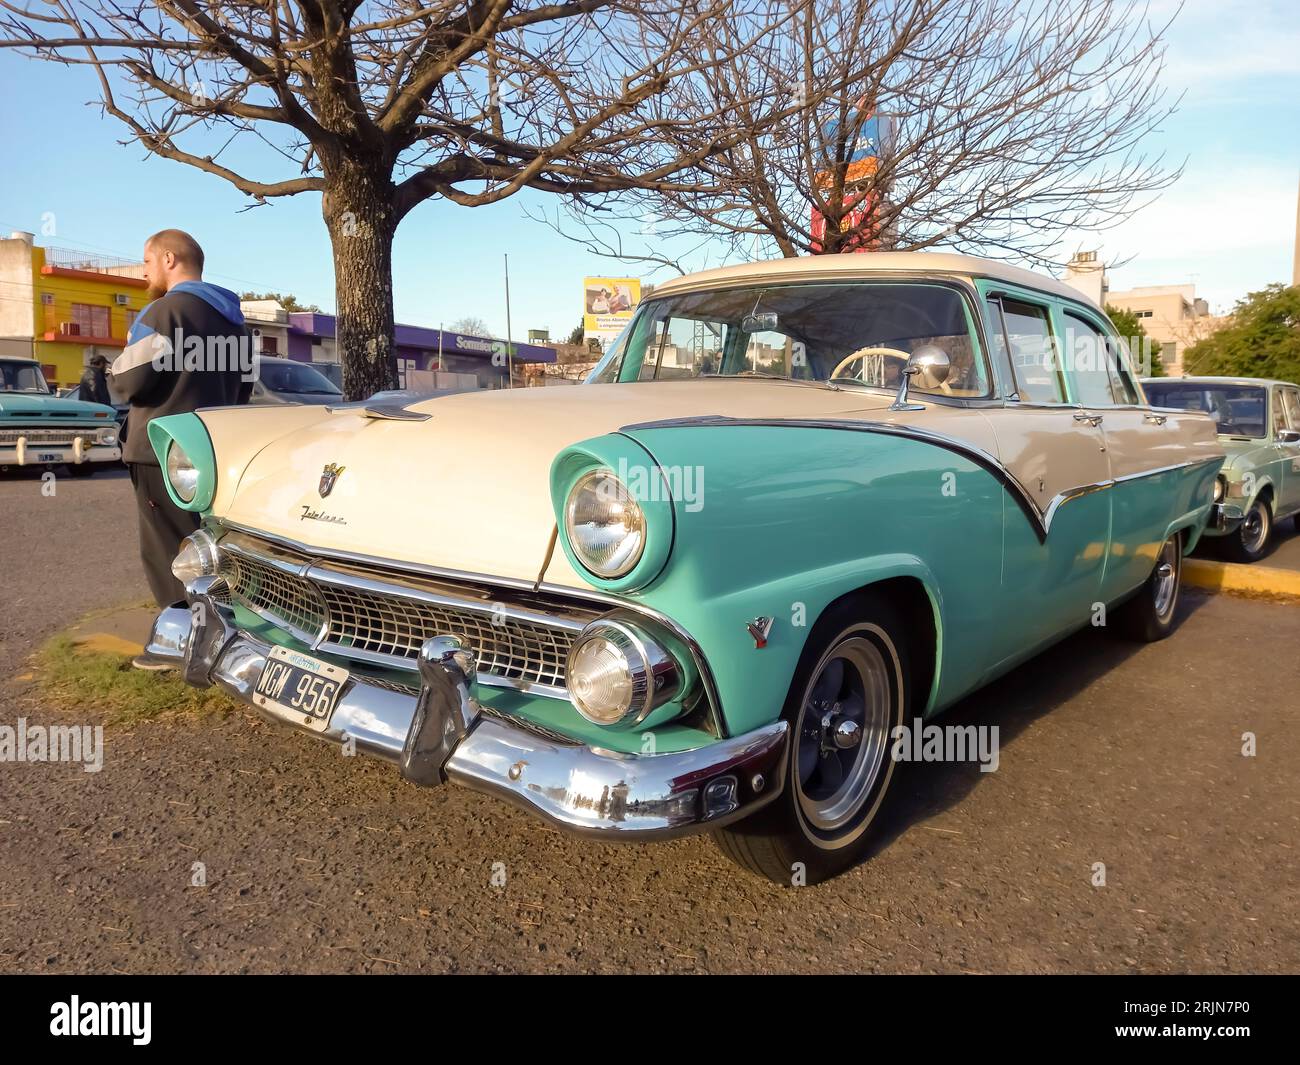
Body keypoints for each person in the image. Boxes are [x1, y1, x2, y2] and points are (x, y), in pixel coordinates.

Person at [110, 229, 252, 667]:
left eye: (148, 262)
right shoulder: (235, 320)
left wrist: (118, 367)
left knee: (169, 551)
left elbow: (130, 381)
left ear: (169, 259)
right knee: (209, 548)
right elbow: (243, 388)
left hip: (160, 448)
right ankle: (229, 637)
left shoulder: (164, 312)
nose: (145, 272)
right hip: (212, 448)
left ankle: (182, 647)